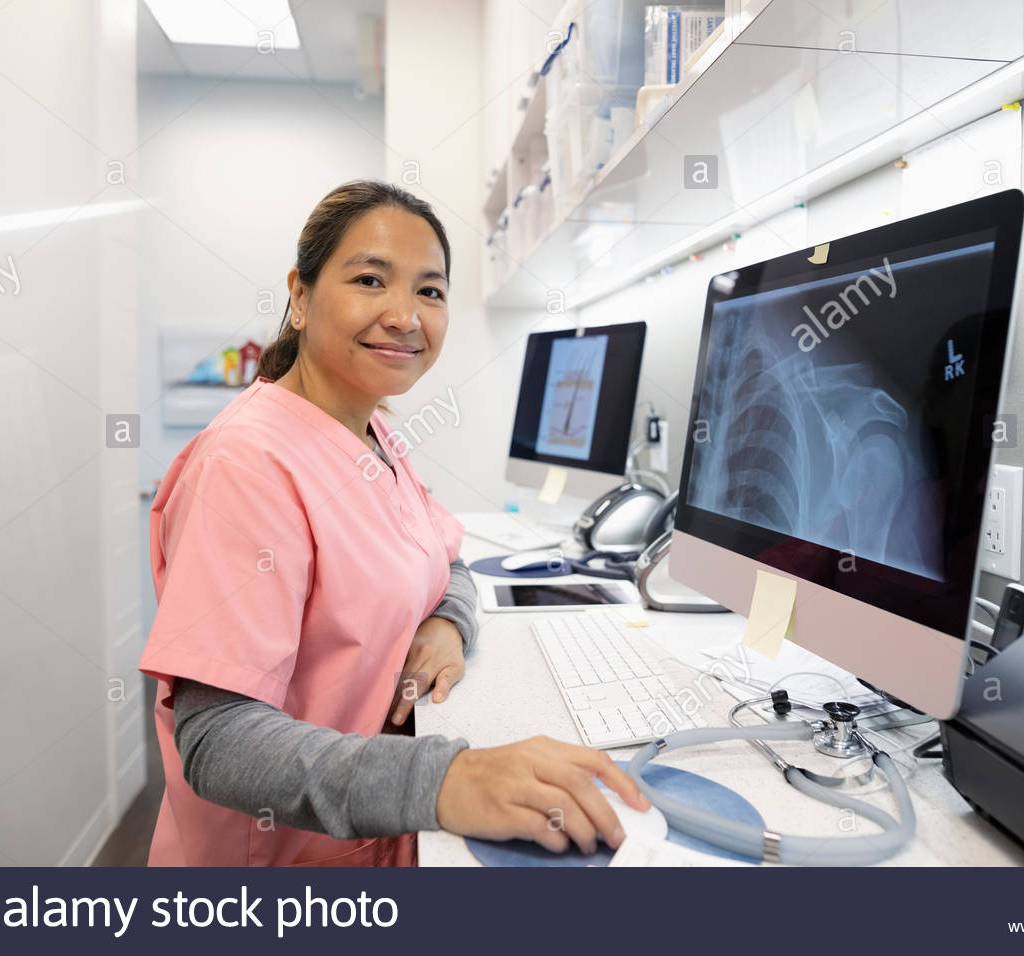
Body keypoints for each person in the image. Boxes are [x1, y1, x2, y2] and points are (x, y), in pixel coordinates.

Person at [138, 179, 649, 866]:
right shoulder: (246, 464)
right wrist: (447, 778)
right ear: (300, 295)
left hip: (373, 840)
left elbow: (446, 560)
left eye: (430, 292)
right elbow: (220, 739)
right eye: (371, 280)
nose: (405, 315)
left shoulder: (373, 433)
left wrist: (447, 624)